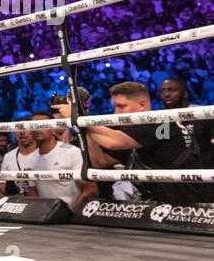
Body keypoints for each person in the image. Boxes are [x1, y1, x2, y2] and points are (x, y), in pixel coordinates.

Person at [84, 81, 214, 204]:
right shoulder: (132, 135)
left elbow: (114, 142)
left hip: (190, 204)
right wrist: (85, 130)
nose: (116, 112)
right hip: (160, 205)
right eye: (115, 107)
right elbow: (100, 161)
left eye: (121, 106)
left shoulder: (161, 123)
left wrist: (84, 119)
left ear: (142, 105)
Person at [27, 111, 95, 208]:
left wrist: (72, 210)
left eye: (42, 125)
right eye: (33, 125)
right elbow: (33, 191)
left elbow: (90, 188)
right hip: (45, 213)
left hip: (71, 211)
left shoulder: (71, 152)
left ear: (53, 129)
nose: (37, 128)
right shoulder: (31, 158)